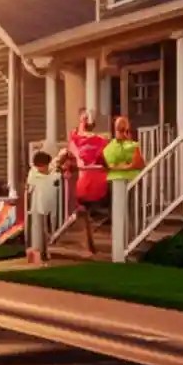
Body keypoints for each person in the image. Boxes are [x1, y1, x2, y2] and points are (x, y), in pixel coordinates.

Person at [67, 108, 109, 255]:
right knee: (83, 211)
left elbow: (105, 158)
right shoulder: (75, 139)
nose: (85, 121)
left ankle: (91, 243)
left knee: (90, 212)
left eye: (88, 118)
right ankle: (88, 243)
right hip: (82, 181)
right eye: (83, 118)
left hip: (96, 180)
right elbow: (72, 154)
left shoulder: (99, 140)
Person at [26, 150, 60, 264]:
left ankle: (49, 250)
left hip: (52, 205)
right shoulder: (33, 173)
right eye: (38, 166)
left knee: (51, 227)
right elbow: (31, 185)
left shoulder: (54, 173)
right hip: (39, 205)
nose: (41, 169)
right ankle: (41, 251)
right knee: (40, 228)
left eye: (43, 166)